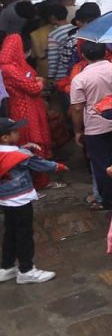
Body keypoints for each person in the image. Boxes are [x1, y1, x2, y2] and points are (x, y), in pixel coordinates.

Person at [0, 117, 64, 284]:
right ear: (5, 137)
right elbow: (39, 164)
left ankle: (6, 267)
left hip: (6, 199)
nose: (18, 133)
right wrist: (58, 166)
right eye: (14, 131)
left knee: (10, 232)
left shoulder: (8, 152)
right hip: (20, 199)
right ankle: (26, 269)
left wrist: (22, 148)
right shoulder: (20, 155)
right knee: (24, 234)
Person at [1, 34, 50, 171]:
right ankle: (39, 181)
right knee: (32, 140)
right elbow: (33, 88)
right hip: (24, 108)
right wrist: (40, 82)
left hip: (29, 106)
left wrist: (35, 80)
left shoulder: (16, 64)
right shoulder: (9, 68)